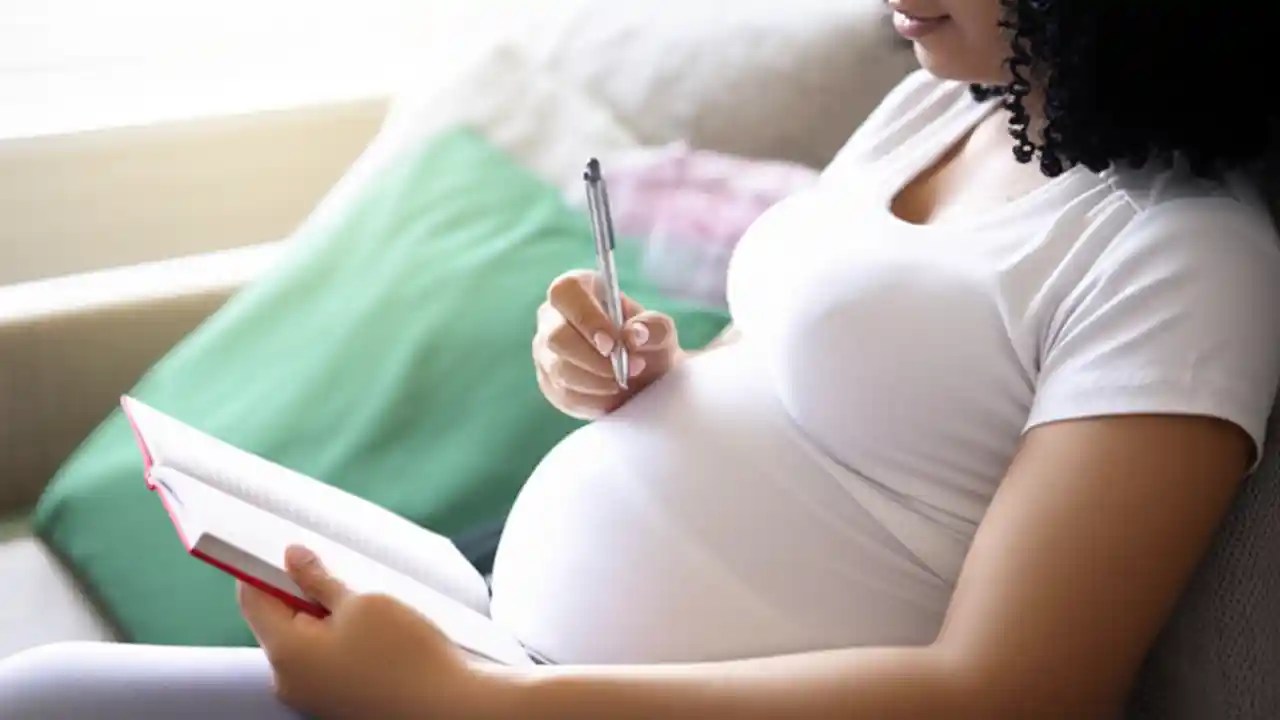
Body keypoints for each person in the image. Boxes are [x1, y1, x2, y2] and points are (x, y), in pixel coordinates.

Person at [4, 1, 1280, 718]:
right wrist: (639, 366)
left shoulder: (1186, 256)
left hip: (532, 705)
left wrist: (474, 712)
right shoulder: (939, 104)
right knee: (45, 693)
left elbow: (1013, 691)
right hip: (512, 659)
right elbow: (787, 379)